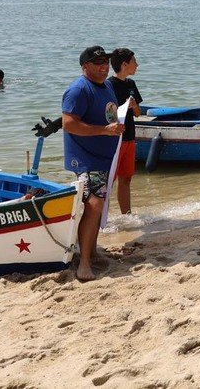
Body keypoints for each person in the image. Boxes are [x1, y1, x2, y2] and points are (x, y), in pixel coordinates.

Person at [61, 46, 124, 282]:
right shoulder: (78, 90)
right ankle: (83, 263)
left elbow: (107, 115)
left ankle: (93, 252)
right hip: (85, 158)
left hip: (106, 157)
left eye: (105, 62)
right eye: (97, 63)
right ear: (84, 66)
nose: (104, 67)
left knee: (99, 204)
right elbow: (69, 124)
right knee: (94, 204)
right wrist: (103, 130)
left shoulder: (106, 85)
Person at [108, 49, 142, 216]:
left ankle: (126, 215)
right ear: (124, 65)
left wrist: (134, 105)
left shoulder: (130, 84)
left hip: (130, 137)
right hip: (115, 140)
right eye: (134, 61)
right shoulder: (109, 85)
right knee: (109, 181)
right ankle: (102, 219)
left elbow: (137, 113)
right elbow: (106, 115)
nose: (137, 65)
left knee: (126, 178)